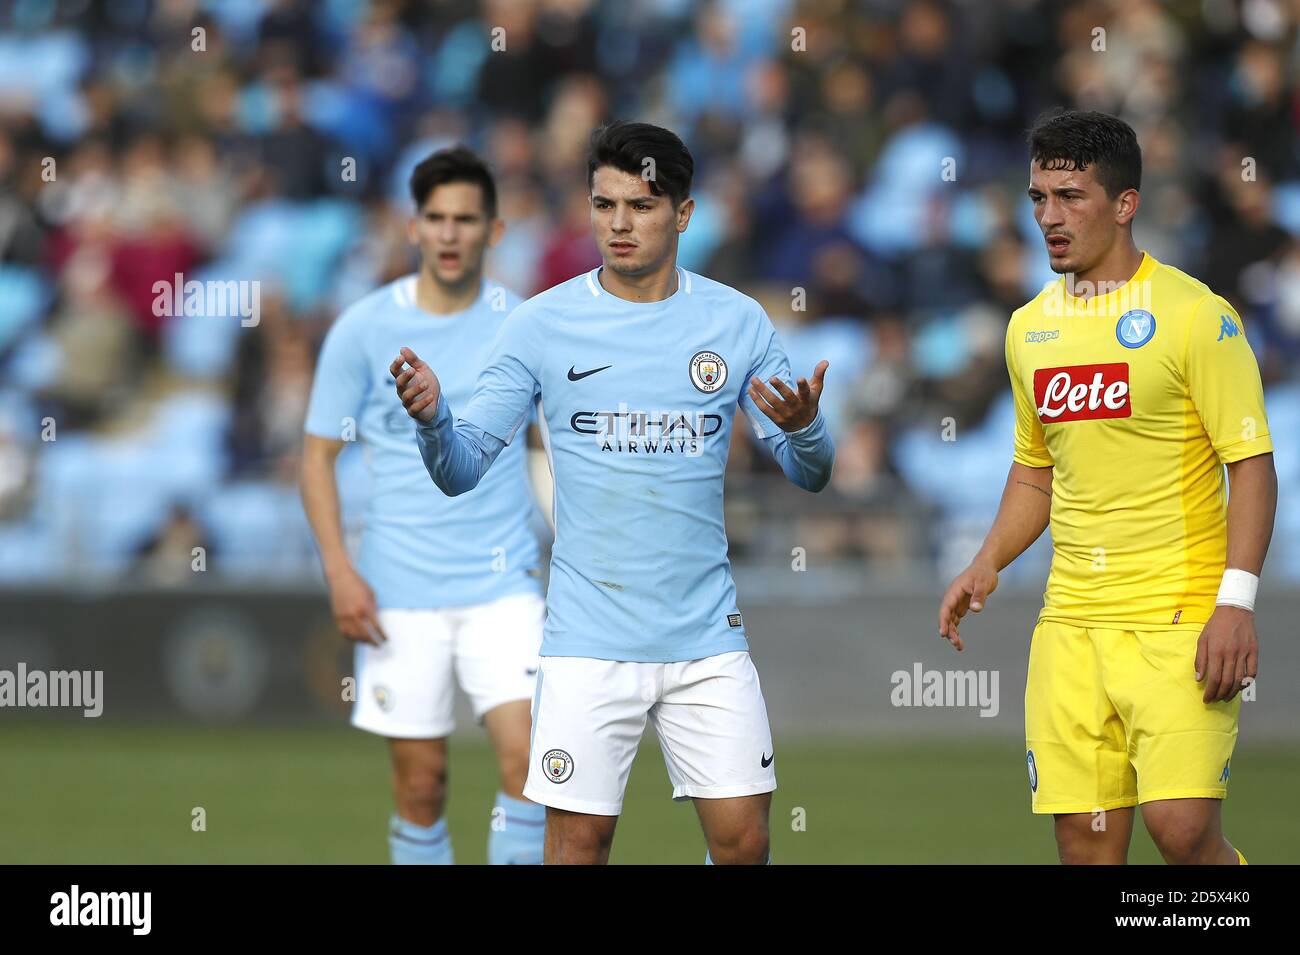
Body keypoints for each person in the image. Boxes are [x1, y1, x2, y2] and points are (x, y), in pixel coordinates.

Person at [392, 121, 836, 864]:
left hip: (705, 636)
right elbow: (460, 468)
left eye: (642, 205)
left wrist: (809, 429)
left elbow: (809, 470)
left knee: (744, 843)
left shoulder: (735, 322)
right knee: (577, 847)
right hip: (588, 638)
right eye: (604, 206)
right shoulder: (541, 324)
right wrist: (435, 421)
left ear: (684, 214)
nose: (619, 224)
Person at [938, 109, 1277, 864]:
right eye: (1037, 198)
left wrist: (1236, 602)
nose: (1049, 218)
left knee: (1183, 832)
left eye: (1070, 196)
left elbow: (1251, 465)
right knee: (1086, 848)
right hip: (1071, 627)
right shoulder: (1029, 328)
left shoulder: (1196, 317)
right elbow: (1035, 471)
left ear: (1125, 204)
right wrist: (987, 558)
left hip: (1179, 616)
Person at [301, 147, 548, 864]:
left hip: (504, 584)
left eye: (465, 219)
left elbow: (556, 447)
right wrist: (340, 572)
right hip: (399, 588)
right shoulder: (364, 327)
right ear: (412, 227)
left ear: (495, 230)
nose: (449, 233)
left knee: (531, 764)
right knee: (422, 783)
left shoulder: (526, 325)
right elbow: (317, 456)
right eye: (436, 218)